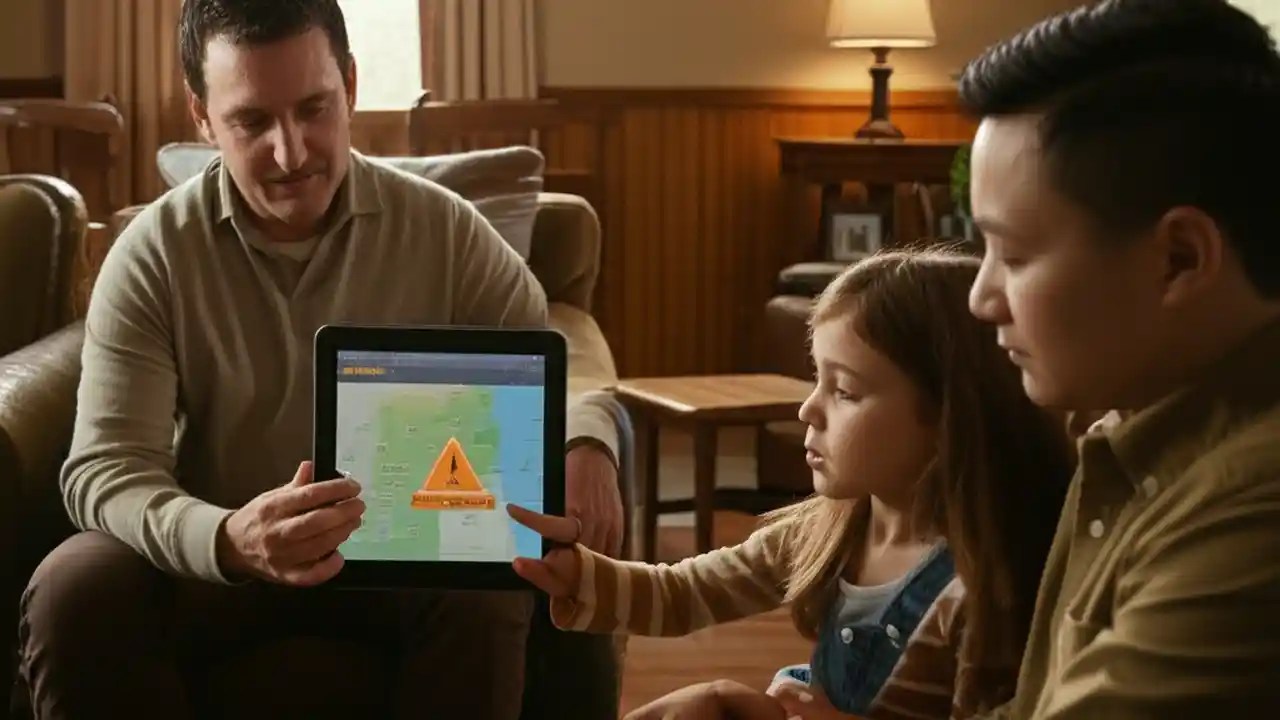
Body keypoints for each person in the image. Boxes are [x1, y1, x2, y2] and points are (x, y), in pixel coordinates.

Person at [15, 1, 624, 718]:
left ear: (352, 86)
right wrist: (229, 537)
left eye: (314, 109)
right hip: (217, 566)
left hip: (407, 569)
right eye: (251, 122)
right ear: (202, 115)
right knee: (74, 584)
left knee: (486, 578)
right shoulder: (152, 254)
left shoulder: (445, 230)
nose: (291, 152)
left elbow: (552, 349)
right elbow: (106, 469)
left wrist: (586, 432)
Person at [509, 249, 1075, 719]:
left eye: (845, 391)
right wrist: (579, 572)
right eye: (816, 381)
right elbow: (683, 593)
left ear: (952, 417)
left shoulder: (976, 593)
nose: (809, 409)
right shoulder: (829, 530)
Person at [959, 0, 1280, 716]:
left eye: (1012, 253)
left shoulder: (1254, 506)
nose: (982, 298)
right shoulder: (1131, 423)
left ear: (1179, 259)